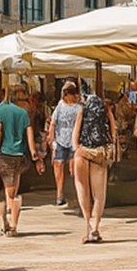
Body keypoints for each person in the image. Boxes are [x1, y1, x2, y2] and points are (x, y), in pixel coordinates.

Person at [0, 84, 40, 237]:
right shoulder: (24, 114)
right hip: (20, 154)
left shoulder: (1, 110)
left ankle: (10, 216)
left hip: (5, 153)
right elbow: (29, 134)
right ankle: (12, 218)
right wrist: (34, 153)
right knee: (14, 183)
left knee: (8, 186)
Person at [71, 81, 117, 243]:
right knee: (99, 195)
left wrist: (76, 151)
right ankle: (95, 227)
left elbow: (75, 136)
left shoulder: (81, 110)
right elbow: (113, 132)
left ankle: (87, 225)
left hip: (83, 152)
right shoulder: (105, 109)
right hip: (100, 152)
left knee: (82, 190)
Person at [49, 80, 81, 209]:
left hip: (74, 140)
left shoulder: (79, 107)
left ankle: (75, 193)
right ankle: (60, 193)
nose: (75, 96)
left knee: (74, 169)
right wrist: (51, 138)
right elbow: (53, 122)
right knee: (58, 166)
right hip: (60, 140)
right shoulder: (60, 105)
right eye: (72, 93)